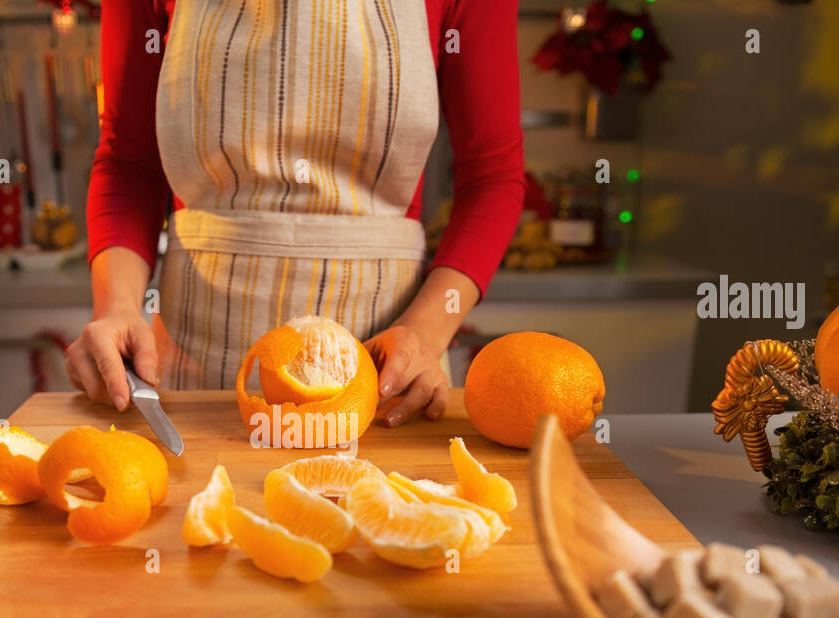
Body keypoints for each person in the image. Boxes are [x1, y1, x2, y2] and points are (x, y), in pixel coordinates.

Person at [66, 0, 525, 427]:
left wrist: (425, 331)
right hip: (191, 374)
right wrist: (118, 307)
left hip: (387, 376)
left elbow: (492, 177)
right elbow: (129, 163)